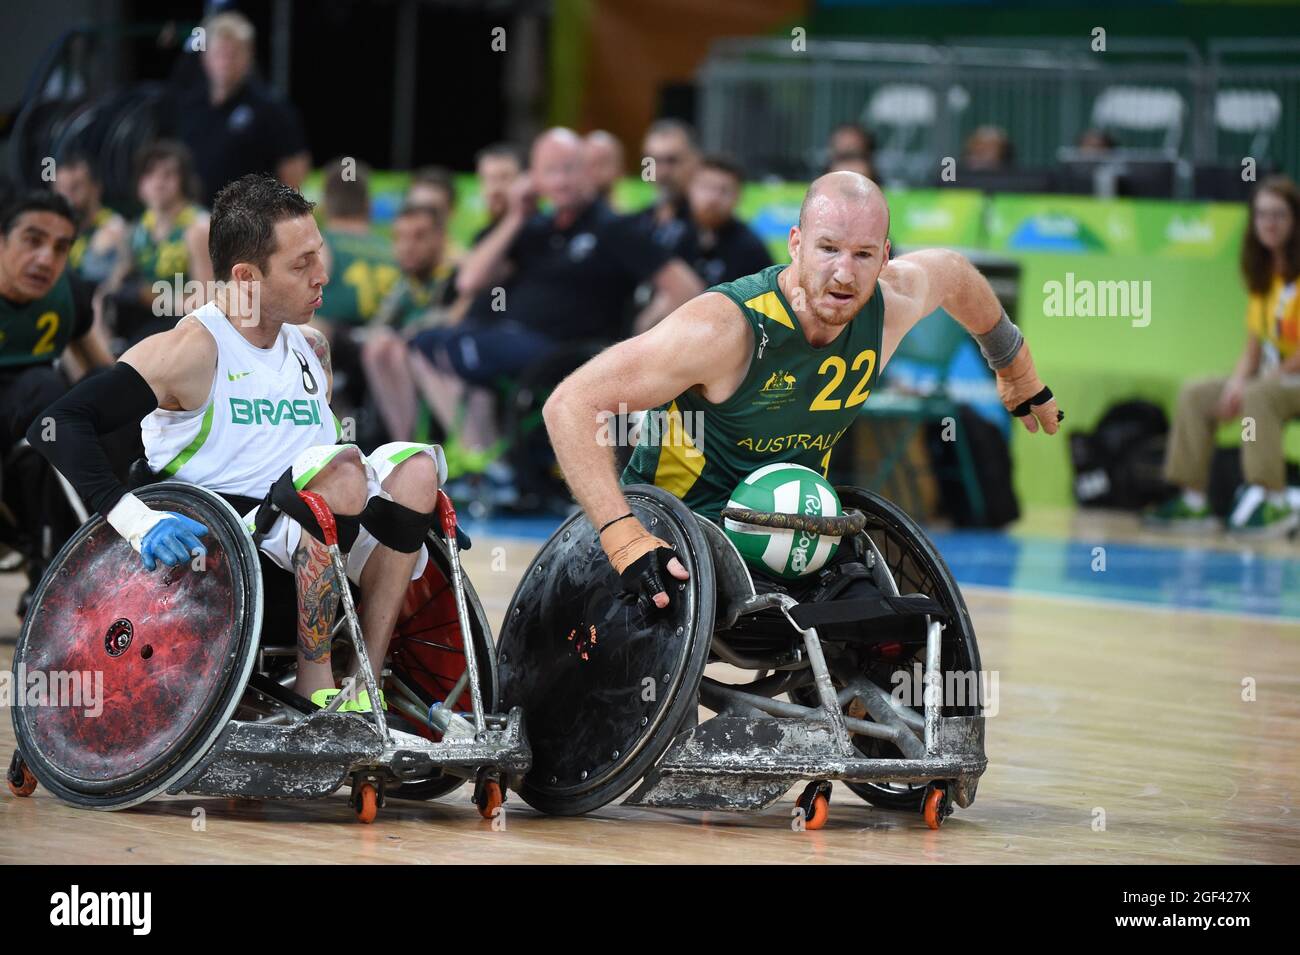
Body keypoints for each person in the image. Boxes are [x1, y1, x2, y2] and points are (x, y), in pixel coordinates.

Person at [542, 171, 1062, 609]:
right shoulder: (724, 328)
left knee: (888, 615)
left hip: (794, 534)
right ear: (796, 244)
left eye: (862, 254)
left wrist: (1016, 367)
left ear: (884, 257)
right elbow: (570, 404)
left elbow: (952, 274)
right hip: (683, 534)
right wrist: (624, 537)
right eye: (828, 249)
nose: (843, 272)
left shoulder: (889, 308)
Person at [30, 174, 445, 706]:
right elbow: (59, 423)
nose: (322, 276)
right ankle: (316, 681)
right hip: (228, 557)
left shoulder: (312, 347)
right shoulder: (192, 350)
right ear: (247, 277)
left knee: (415, 470)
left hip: (322, 544)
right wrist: (135, 519)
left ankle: (368, 681)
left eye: (319, 255)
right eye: (301, 265)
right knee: (338, 473)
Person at [412, 127, 702, 469]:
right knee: (425, 344)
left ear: (588, 172)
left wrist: (642, 334)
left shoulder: (614, 227)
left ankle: (489, 464)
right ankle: (486, 460)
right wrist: (516, 216)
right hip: (514, 342)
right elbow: (469, 280)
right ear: (534, 178)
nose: (562, 181)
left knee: (449, 345)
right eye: (551, 171)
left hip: (570, 350)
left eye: (570, 169)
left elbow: (687, 287)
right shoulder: (535, 228)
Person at [1147, 175, 1300, 535]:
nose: (1269, 223)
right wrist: (1234, 384)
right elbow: (1252, 348)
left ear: (1295, 220)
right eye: (1262, 214)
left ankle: (1273, 501)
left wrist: (1261, 382)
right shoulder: (1263, 276)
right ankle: (1193, 500)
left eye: (1278, 214)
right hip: (1274, 378)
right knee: (1198, 393)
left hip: (1286, 380)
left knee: (1257, 394)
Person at [0, 191, 114, 613]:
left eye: (61, 247)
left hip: (27, 414)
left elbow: (106, 374)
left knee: (71, 403)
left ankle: (58, 574)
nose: (46, 258)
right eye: (33, 240)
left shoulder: (68, 296)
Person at [170, 11, 310, 205]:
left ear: (249, 56)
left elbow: (294, 171)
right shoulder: (189, 106)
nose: (225, 62)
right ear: (206, 57)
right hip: (198, 219)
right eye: (219, 53)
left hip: (251, 222)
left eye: (233, 53)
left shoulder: (272, 109)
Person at [361, 203, 459, 444]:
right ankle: (402, 446)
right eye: (399, 238)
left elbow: (456, 319)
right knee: (379, 346)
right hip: (407, 365)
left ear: (441, 238)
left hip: (447, 367)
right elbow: (377, 325)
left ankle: (413, 446)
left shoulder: (458, 277)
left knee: (393, 349)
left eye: (419, 237)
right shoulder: (406, 283)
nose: (407, 247)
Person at [101, 141, 212, 346]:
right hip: (150, 320)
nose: (158, 182)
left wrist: (151, 297)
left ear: (184, 181)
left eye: (168, 175)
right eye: (150, 174)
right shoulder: (136, 230)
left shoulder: (199, 228)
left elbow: (207, 304)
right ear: (139, 184)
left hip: (190, 324)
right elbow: (112, 287)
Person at [315, 158, 399, 328]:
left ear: (324, 205)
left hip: (332, 346)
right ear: (368, 205)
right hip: (383, 344)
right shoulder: (395, 250)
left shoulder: (319, 247)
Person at [672, 153, 771, 287]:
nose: (713, 199)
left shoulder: (750, 248)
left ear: (739, 196)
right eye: (706, 187)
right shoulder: (667, 232)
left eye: (724, 191)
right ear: (689, 189)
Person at [52, 149, 127, 286]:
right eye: (61, 189)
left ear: (96, 188)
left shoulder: (113, 227)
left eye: (75, 187)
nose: (67, 196)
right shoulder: (55, 228)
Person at [632, 119, 699, 249]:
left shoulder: (709, 228)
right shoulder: (636, 222)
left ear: (695, 161)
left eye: (671, 160)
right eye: (652, 160)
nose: (662, 171)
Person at [470, 144, 522, 245]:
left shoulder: (540, 232)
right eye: (489, 179)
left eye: (504, 178)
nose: (496, 188)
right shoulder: (480, 239)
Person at [584, 130, 625, 205]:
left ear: (620, 170)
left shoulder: (635, 212)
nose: (595, 171)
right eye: (589, 164)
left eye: (602, 163)